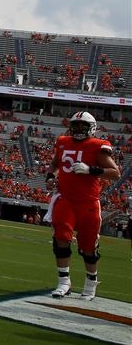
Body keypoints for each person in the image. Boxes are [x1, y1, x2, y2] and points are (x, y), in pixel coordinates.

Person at [47, 111, 117, 300]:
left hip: (88, 202)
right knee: (60, 238)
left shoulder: (97, 145)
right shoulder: (63, 142)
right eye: (75, 125)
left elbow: (115, 172)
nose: (78, 129)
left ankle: (91, 282)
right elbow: (54, 164)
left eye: (82, 126)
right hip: (65, 199)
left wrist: (91, 169)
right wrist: (50, 177)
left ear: (91, 128)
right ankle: (63, 282)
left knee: (88, 247)